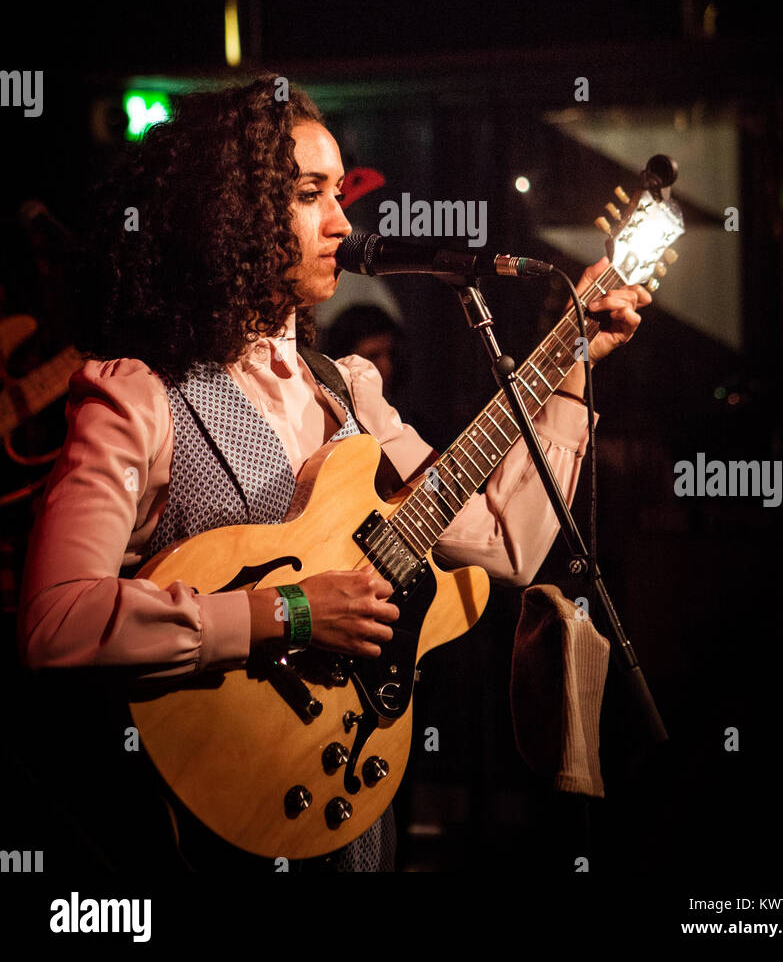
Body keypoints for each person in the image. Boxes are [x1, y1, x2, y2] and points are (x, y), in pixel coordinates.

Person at [16, 75, 651, 872]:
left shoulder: (347, 386)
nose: (341, 221)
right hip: (216, 799)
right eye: (309, 193)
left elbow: (501, 543)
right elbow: (54, 622)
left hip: (343, 785)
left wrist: (568, 361)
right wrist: (284, 614)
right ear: (232, 216)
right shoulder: (138, 396)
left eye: (338, 192)